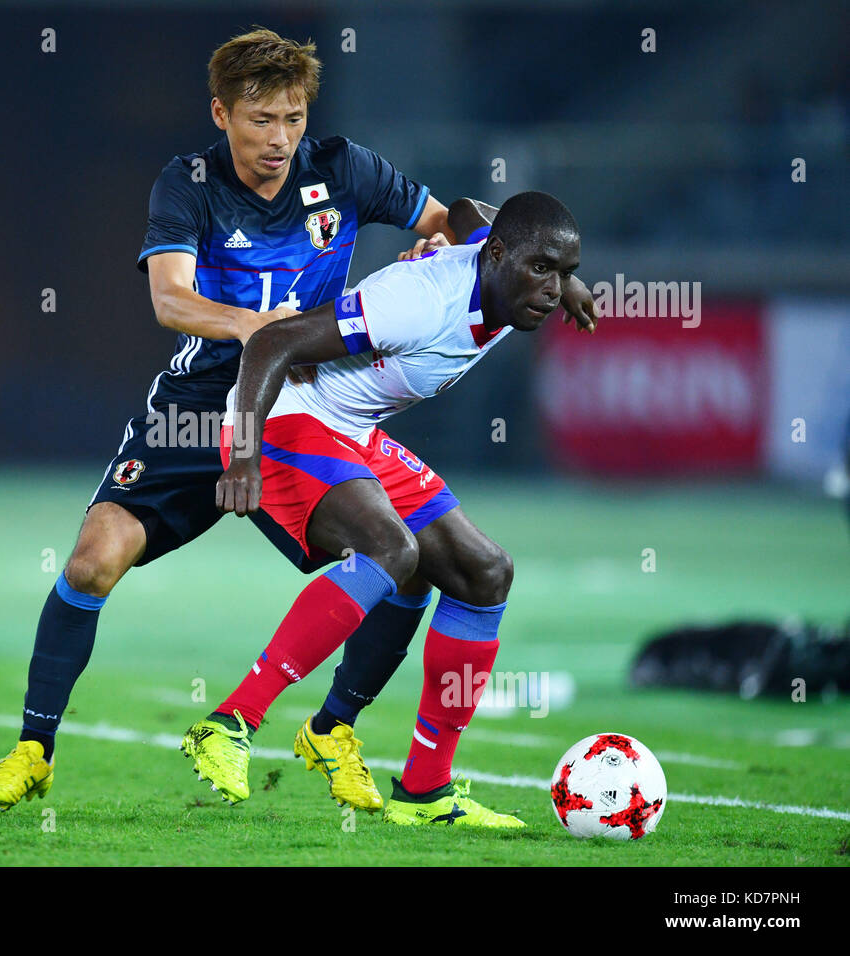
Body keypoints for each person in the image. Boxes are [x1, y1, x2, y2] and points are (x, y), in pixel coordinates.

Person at [0, 31, 591, 811]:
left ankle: (348, 737)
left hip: (311, 396)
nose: (279, 138)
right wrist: (266, 328)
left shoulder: (346, 169)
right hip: (207, 403)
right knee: (97, 558)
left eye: (293, 118)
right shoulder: (187, 185)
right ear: (221, 112)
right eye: (261, 119)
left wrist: (529, 269)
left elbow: (457, 219)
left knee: (416, 557)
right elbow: (170, 301)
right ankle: (34, 750)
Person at [181, 191, 593, 828]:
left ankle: (419, 788)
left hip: (356, 429)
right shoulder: (420, 300)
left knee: (483, 572)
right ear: (500, 257)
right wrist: (240, 455)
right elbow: (272, 343)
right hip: (287, 418)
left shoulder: (509, 276)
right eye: (542, 270)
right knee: (392, 551)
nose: (551, 288)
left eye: (562, 272)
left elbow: (465, 211)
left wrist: (564, 281)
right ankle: (230, 722)